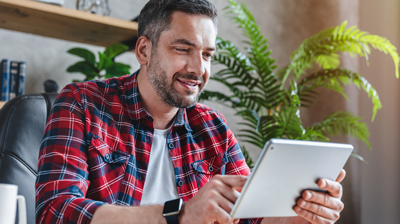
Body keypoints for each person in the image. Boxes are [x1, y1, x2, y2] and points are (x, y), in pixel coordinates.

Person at [35, 0, 345, 223]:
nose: (199, 69)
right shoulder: (82, 104)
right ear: (144, 50)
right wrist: (181, 215)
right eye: (183, 49)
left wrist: (300, 215)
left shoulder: (212, 127)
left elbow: (251, 217)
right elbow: (55, 212)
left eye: (207, 54)